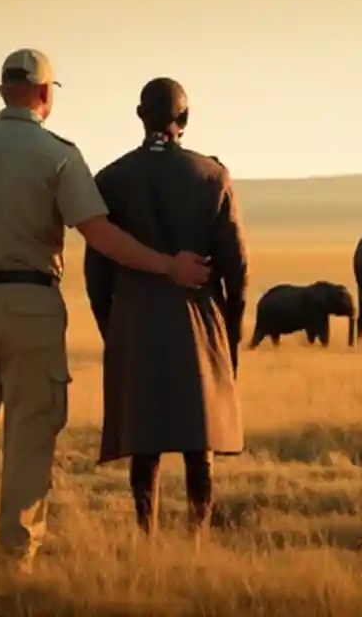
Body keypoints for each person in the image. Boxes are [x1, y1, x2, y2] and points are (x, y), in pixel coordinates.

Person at [0, 48, 213, 575]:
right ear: (43, 93)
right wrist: (168, 266)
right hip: (32, 304)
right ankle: (16, 562)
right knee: (30, 434)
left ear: (3, 90)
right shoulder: (55, 154)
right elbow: (101, 235)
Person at [83, 76, 248, 541]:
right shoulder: (212, 176)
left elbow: (97, 272)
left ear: (140, 116)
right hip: (198, 322)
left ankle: (147, 538)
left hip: (135, 321)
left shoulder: (111, 179)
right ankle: (196, 541)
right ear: (186, 119)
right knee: (201, 442)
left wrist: (113, 328)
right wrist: (229, 337)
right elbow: (237, 268)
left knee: (145, 442)